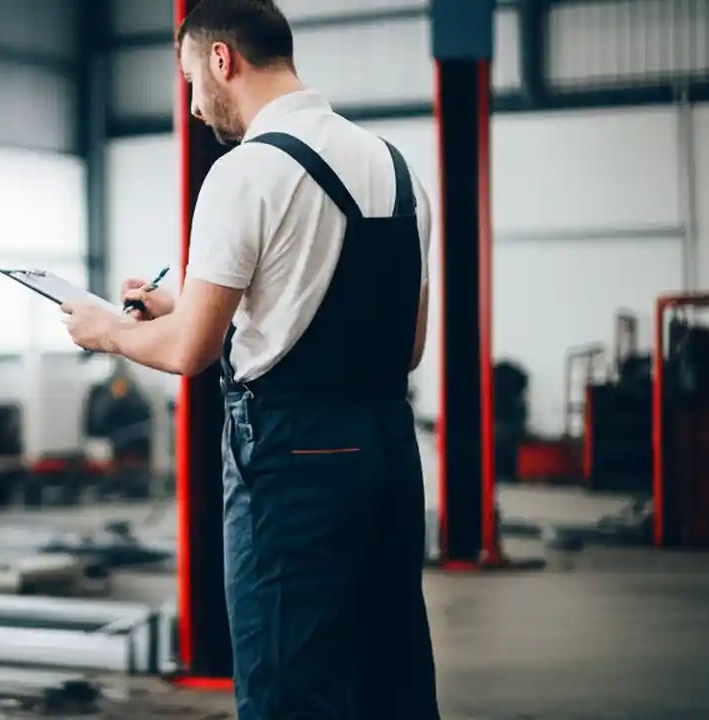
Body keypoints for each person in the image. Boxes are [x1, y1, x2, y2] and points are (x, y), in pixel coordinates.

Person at [61, 0, 439, 717]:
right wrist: (188, 306)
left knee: (288, 683)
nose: (197, 106)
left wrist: (103, 329)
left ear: (221, 60)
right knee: (388, 678)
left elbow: (188, 353)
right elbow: (404, 343)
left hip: (292, 466)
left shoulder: (246, 174)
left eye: (190, 81)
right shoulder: (396, 170)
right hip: (388, 454)